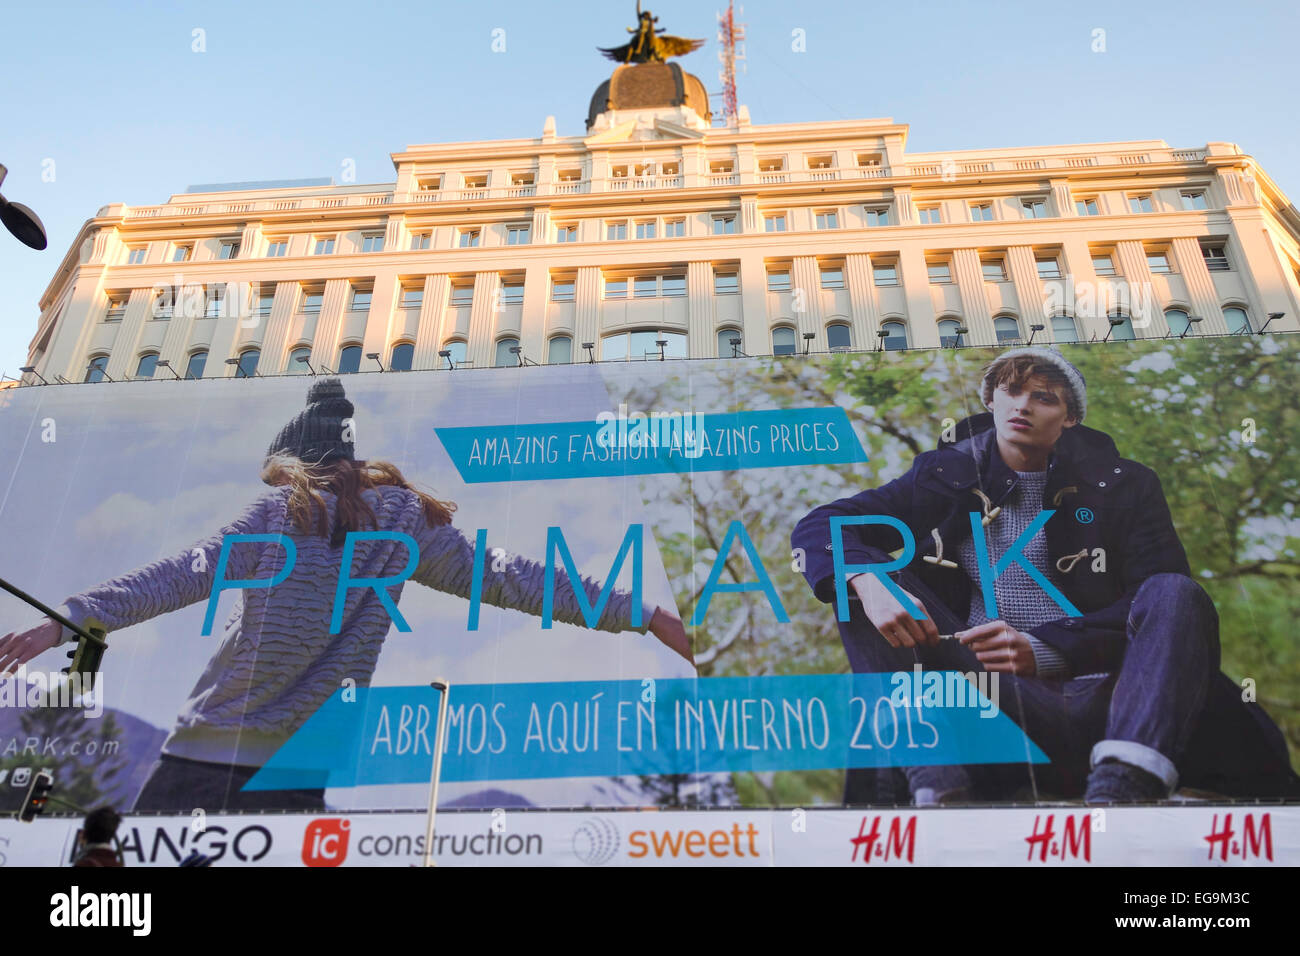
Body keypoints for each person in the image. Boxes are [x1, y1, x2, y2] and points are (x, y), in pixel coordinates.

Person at [0, 379, 691, 812]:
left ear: (295, 467)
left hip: (205, 755)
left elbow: (183, 572)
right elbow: (518, 579)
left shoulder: (275, 517)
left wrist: (70, 620)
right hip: (296, 767)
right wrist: (645, 613)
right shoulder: (407, 524)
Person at [793, 347, 1299, 806]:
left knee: (1176, 592)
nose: (1023, 406)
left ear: (1070, 417)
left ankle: (1126, 786)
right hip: (995, 703)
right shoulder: (941, 476)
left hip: (1116, 698)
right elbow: (822, 526)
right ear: (991, 400)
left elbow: (1167, 607)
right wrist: (866, 578)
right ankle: (935, 784)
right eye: (1011, 391)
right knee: (862, 576)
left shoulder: (1127, 486)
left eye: (1044, 397)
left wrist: (1046, 648)